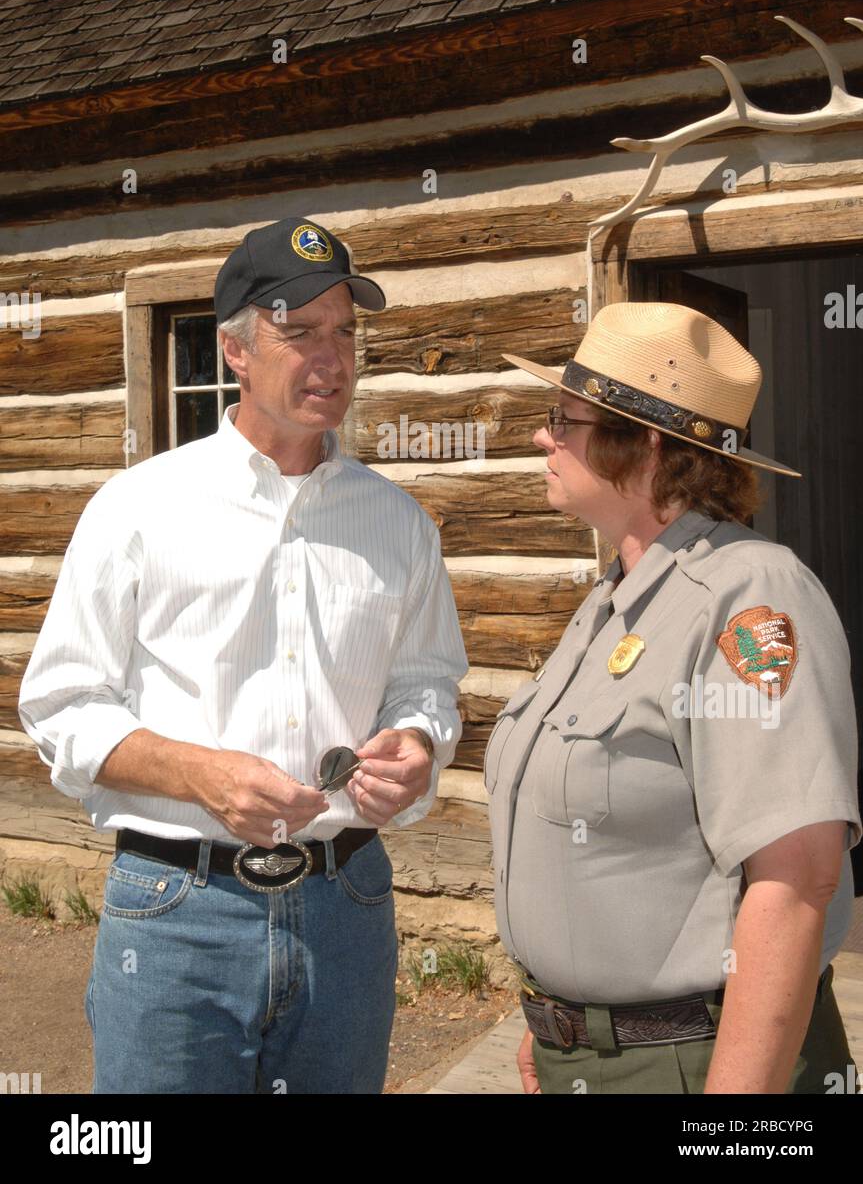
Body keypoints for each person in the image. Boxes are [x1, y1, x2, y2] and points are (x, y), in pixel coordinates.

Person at [19, 215, 468, 1095]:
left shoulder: (397, 522)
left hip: (349, 906)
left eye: (344, 332)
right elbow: (60, 706)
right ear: (233, 350)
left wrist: (415, 745)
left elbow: (426, 685)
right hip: (176, 912)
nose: (330, 359)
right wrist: (200, 775)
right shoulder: (139, 508)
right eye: (298, 333)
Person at [484, 301, 861, 1095]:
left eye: (564, 419)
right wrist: (562, 1024)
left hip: (700, 1066)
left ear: (643, 443)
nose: (541, 437)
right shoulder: (615, 600)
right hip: (592, 1057)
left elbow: (795, 881)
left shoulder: (750, 594)